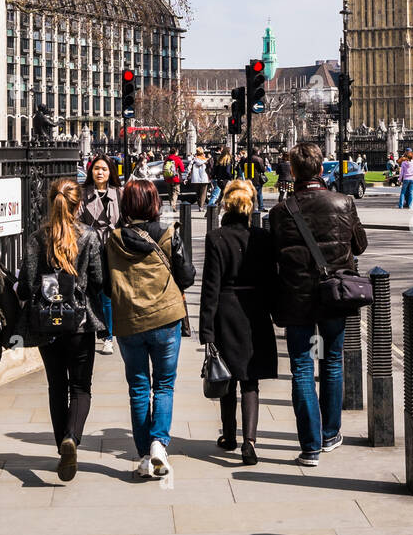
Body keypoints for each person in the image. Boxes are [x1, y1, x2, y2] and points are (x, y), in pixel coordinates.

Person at [268, 144, 368, 467]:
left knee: (301, 367)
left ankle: (309, 447)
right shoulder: (343, 202)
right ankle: (330, 434)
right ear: (322, 170)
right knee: (332, 362)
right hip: (332, 295)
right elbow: (360, 245)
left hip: (296, 298)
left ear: (293, 172)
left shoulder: (280, 212)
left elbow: (274, 256)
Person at [104, 178, 195, 478]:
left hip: (130, 321)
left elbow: (105, 284)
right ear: (154, 203)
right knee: (164, 385)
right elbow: (187, 275)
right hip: (166, 318)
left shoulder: (113, 239)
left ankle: (146, 453)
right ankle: (159, 443)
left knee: (139, 387)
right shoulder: (168, 234)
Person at [15, 177, 104, 481]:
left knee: (57, 387)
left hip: (46, 324)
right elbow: (98, 280)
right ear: (79, 205)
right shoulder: (89, 236)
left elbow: (26, 287)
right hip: (79, 323)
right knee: (81, 387)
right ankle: (72, 437)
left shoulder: (37, 238)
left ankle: (60, 445)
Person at [199, 179, 278, 465]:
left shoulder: (216, 238)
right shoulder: (262, 237)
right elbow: (272, 279)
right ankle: (250, 442)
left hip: (226, 311)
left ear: (226, 207)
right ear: (250, 207)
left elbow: (210, 286)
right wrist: (273, 312)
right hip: (255, 311)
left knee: (227, 377)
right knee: (250, 379)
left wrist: (206, 329)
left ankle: (230, 436)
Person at [79, 155, 121, 355]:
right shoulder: (83, 194)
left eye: (104, 169)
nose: (100, 172)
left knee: (107, 295)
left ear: (110, 171)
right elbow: (77, 222)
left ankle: (108, 336)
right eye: (96, 168)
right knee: (89, 291)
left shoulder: (118, 193)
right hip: (90, 247)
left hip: (111, 248)